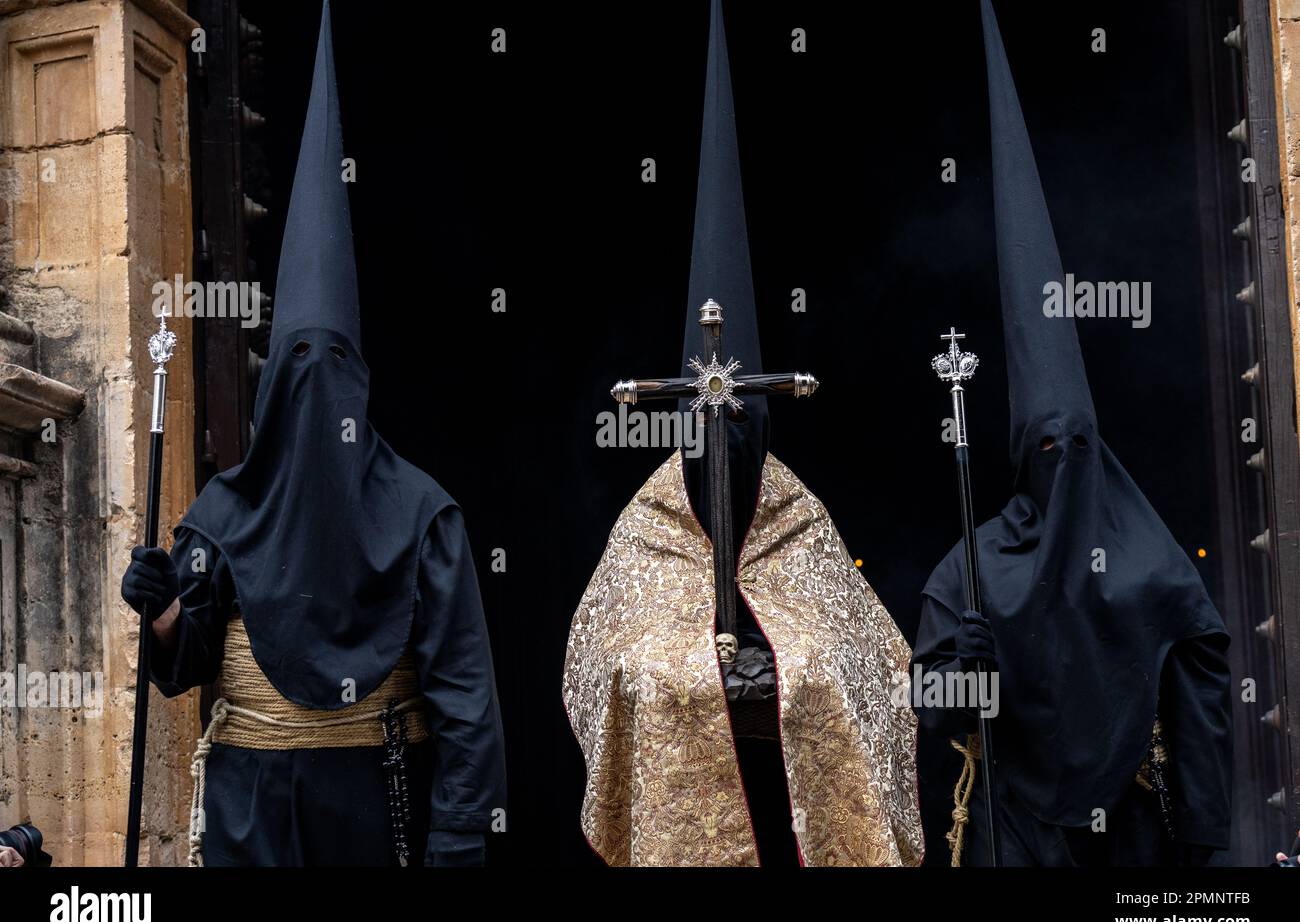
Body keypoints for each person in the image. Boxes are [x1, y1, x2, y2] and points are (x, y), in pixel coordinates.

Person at [120, 0, 504, 867]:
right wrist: (163, 608)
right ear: (274, 390)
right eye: (300, 367)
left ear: (360, 386)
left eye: (332, 364)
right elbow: (182, 666)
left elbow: (467, 703)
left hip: (380, 808)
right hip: (248, 808)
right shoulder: (222, 512)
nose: (317, 384)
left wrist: (457, 845)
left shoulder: (422, 516)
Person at [562, 0, 922, 867]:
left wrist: (781, 681)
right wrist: (702, 678)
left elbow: (872, 672)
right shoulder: (645, 536)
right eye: (703, 424)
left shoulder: (803, 526)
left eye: (739, 423)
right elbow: (599, 673)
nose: (720, 451)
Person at [912, 0, 1232, 867]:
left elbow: (1201, 673)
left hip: (1130, 838)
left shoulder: (1149, 561)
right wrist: (971, 662)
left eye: (1078, 449)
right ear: (1021, 458)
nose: (1065, 468)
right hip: (1011, 835)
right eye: (1048, 451)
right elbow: (937, 710)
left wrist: (1202, 831)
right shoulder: (971, 571)